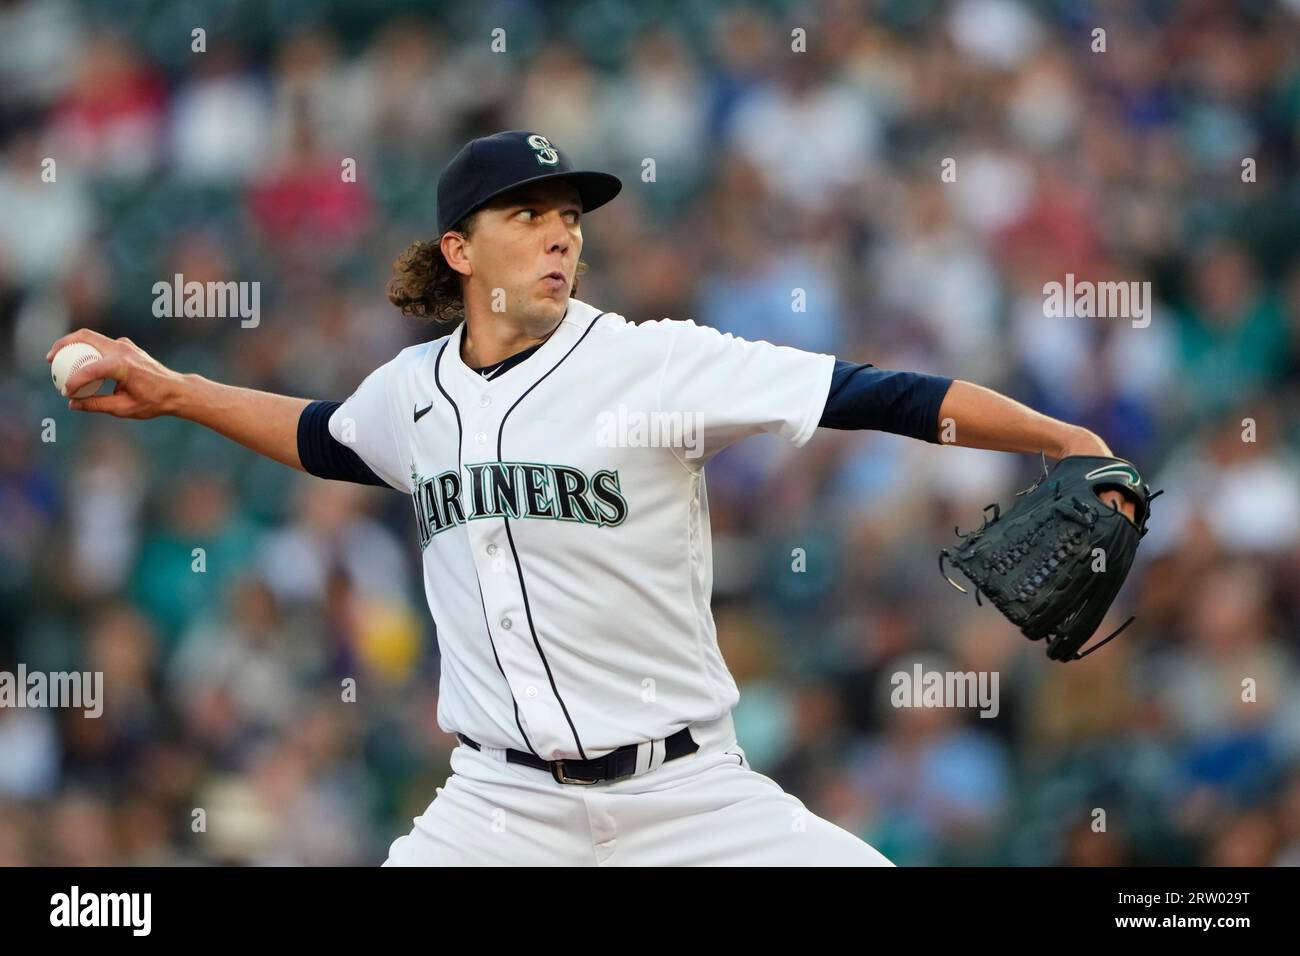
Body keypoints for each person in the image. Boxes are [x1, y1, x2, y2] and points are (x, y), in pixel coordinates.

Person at [48, 130, 1134, 866]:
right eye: (527, 213)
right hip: (498, 808)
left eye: (569, 212)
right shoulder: (410, 394)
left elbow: (876, 393)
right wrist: (181, 391)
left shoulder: (655, 362)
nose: (561, 229)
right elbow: (326, 437)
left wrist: (1060, 435)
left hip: (690, 797)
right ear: (460, 250)